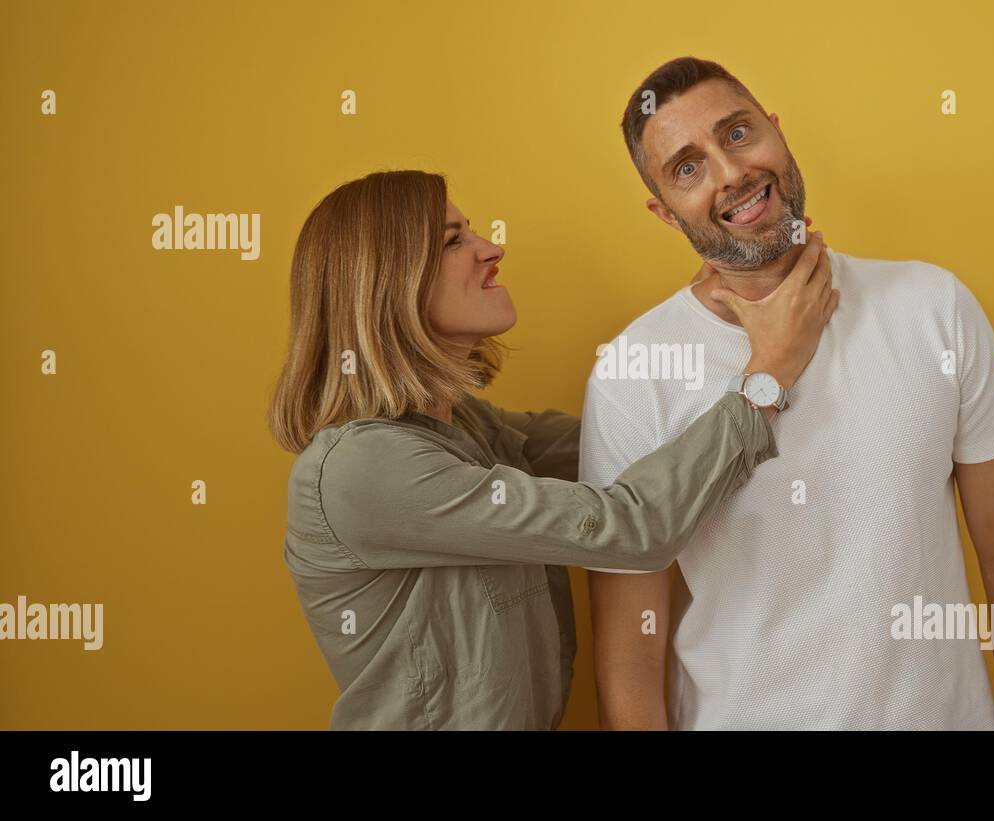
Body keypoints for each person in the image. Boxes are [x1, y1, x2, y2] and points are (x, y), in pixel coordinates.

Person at [266, 169, 838, 729]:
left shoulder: (467, 429)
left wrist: (699, 315)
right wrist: (770, 372)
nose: (491, 249)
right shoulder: (363, 470)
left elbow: (630, 441)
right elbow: (631, 526)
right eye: (454, 241)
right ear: (389, 281)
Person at [584, 57, 994, 730]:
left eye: (738, 133)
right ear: (664, 212)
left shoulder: (933, 307)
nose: (731, 173)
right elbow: (631, 645)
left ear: (776, 131)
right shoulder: (632, 372)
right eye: (687, 168)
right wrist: (772, 366)